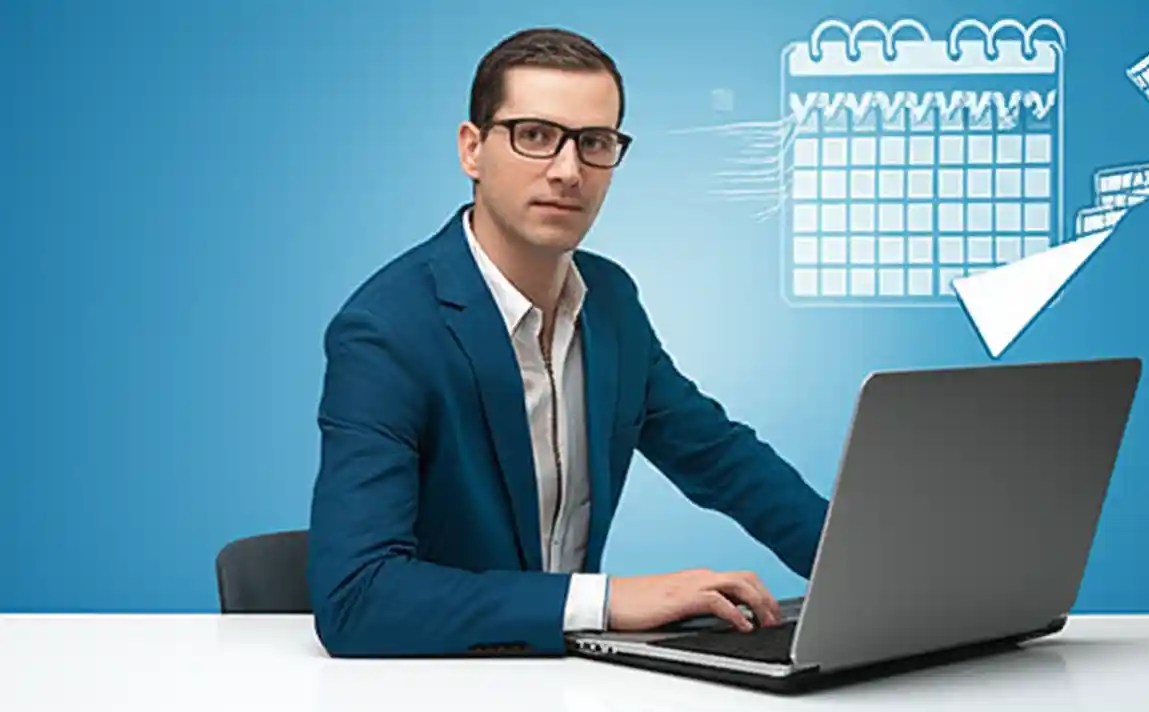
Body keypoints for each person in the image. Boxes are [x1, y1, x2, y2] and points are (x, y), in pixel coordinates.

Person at [306, 26, 829, 658]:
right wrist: (607, 601)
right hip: (438, 686)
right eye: (534, 136)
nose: (567, 170)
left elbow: (721, 458)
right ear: (471, 149)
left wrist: (866, 572)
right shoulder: (388, 331)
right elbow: (357, 599)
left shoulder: (609, 300)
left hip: (573, 683)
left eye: (594, 143)